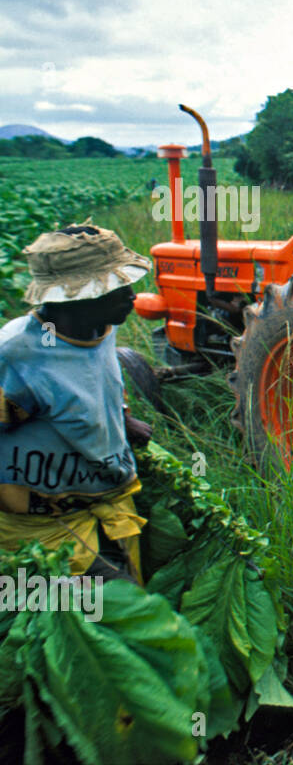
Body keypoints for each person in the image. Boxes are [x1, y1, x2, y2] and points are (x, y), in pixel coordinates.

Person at [0, 223, 154, 581]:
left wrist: (123, 419)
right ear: (75, 296)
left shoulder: (101, 329)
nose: (132, 295)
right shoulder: (19, 355)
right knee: (123, 621)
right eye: (117, 287)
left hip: (104, 502)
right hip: (46, 529)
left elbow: (102, 379)